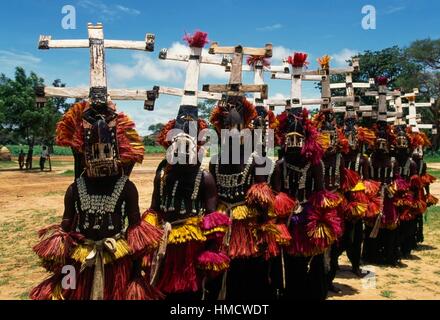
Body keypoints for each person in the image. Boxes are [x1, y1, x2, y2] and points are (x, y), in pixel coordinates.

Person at [30, 100, 163, 300]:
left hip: (116, 259)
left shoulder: (127, 187)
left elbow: (136, 235)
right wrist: (62, 274)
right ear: (84, 155)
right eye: (94, 152)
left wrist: (136, 275)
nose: (101, 157)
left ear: (117, 153)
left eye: (107, 151)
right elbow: (67, 228)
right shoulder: (75, 189)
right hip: (81, 258)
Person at [144, 104, 230, 301]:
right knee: (161, 287)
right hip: (164, 242)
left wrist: (210, 252)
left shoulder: (205, 178)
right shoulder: (162, 175)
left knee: (191, 291)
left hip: (191, 245)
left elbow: (211, 216)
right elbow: (155, 208)